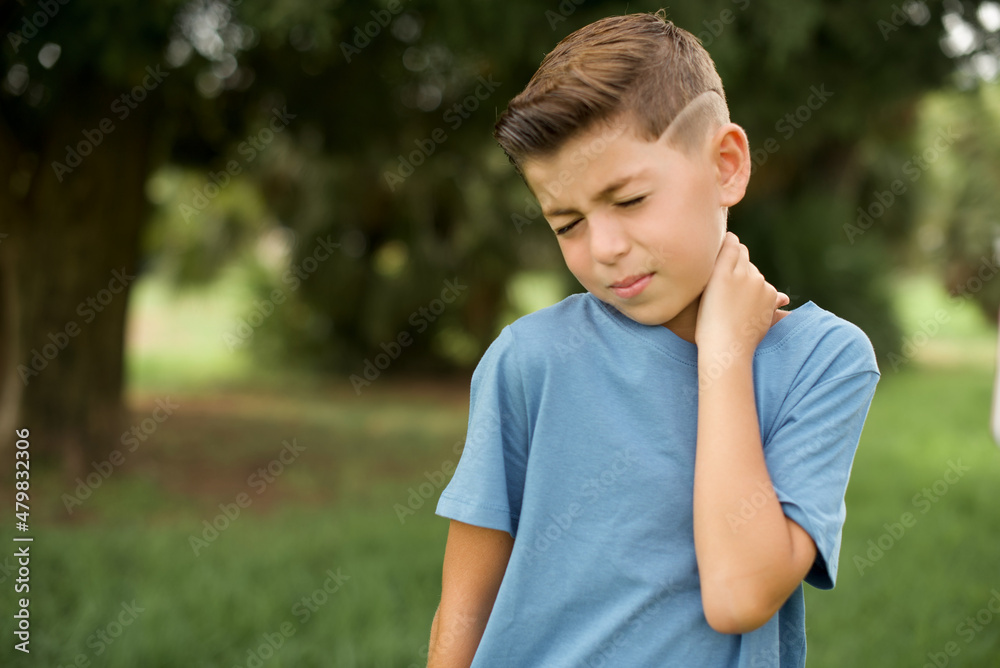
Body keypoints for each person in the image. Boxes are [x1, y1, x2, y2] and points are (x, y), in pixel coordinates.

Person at [427, 9, 880, 667]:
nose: (605, 248)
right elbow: (463, 613)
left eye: (631, 199)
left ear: (726, 165)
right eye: (568, 223)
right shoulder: (528, 362)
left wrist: (725, 354)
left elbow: (738, 596)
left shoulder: (824, 361)